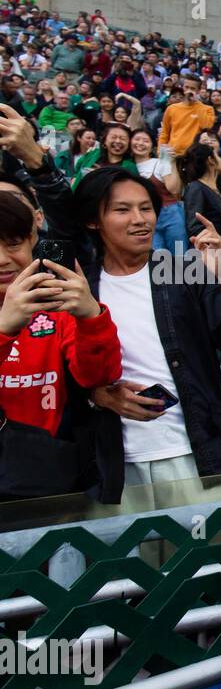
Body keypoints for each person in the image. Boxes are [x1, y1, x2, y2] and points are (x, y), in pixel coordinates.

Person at [71, 167, 221, 501]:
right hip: (115, 465)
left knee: (209, 553)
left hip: (197, 454)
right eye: (122, 210)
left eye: (146, 208)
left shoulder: (181, 269)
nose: (140, 219)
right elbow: (65, 374)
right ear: (92, 221)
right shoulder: (82, 286)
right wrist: (98, 395)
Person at [0, 192, 121, 489]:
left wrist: (91, 316)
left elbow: (100, 375)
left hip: (49, 471)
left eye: (13, 244)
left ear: (32, 239)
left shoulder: (56, 304)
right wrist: (4, 330)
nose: (3, 259)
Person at [129, 128, 185, 254]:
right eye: (137, 139)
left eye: (146, 141)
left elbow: (174, 188)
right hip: (144, 217)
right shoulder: (127, 166)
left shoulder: (159, 163)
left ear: (152, 146)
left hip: (169, 213)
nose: (141, 143)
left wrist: (172, 162)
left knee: (179, 254)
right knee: (157, 257)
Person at [158, 73, 214, 156]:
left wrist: (197, 103)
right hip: (173, 154)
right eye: (186, 87)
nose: (189, 91)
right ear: (183, 87)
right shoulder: (171, 108)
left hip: (195, 156)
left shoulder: (207, 109)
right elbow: (165, 133)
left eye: (192, 88)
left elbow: (206, 126)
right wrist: (160, 152)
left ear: (198, 91)